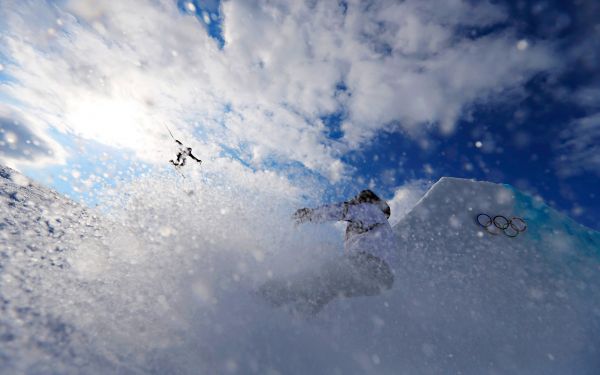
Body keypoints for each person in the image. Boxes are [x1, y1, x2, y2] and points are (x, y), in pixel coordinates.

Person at [259, 190, 397, 315]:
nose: (353, 201)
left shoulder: (369, 210)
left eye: (356, 199)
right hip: (382, 280)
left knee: (316, 276)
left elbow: (343, 210)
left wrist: (310, 214)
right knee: (327, 289)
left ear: (365, 200)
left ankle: (268, 295)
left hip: (365, 263)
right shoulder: (383, 227)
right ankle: (300, 315)